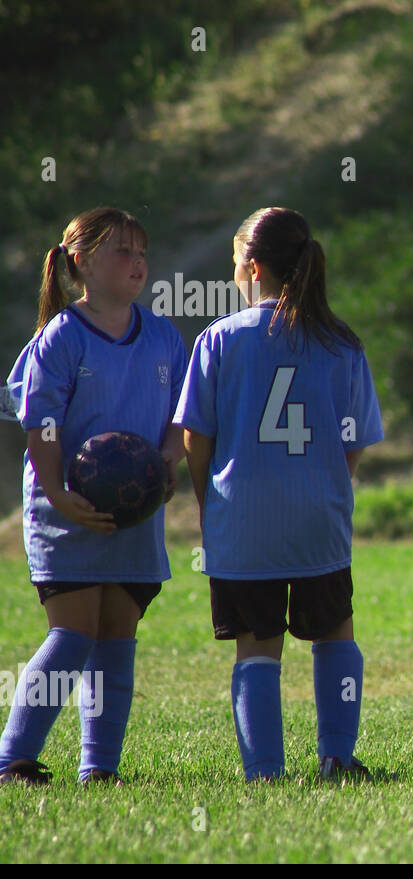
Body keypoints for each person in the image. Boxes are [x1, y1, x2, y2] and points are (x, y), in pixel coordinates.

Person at [178, 207, 383, 781]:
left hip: (244, 516)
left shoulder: (221, 338)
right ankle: (338, 757)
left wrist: (208, 498)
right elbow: (355, 441)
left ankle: (265, 770)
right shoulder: (341, 342)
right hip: (318, 513)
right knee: (334, 631)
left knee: (256, 646)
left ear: (252, 265)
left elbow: (196, 436)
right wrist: (324, 483)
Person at [0, 208, 185, 786]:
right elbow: (43, 427)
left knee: (116, 639)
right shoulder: (61, 336)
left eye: (141, 252)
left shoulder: (160, 334)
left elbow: (184, 417)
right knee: (72, 636)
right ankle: (11, 760)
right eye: (122, 251)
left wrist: (167, 462)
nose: (138, 263)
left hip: (134, 515)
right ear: (81, 262)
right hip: (68, 513)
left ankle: (99, 767)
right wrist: (57, 492)